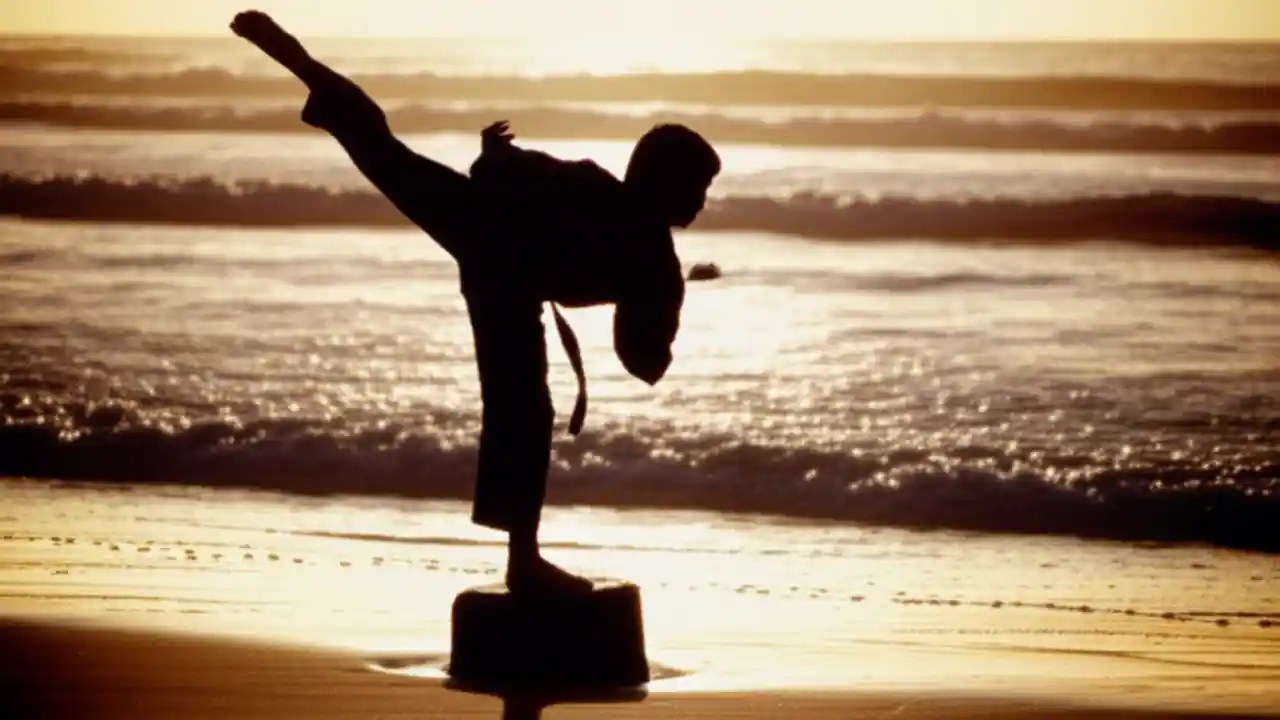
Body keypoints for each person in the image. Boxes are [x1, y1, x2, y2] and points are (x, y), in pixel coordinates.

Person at [230, 11, 720, 595]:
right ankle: (523, 560)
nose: (703, 201)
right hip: (499, 262)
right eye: (698, 187)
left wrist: (492, 157)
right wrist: (669, 308)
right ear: (665, 183)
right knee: (525, 409)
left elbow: (529, 171)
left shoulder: (610, 200)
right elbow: (641, 360)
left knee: (384, 151)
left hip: (479, 226)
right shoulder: (651, 258)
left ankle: (303, 66)